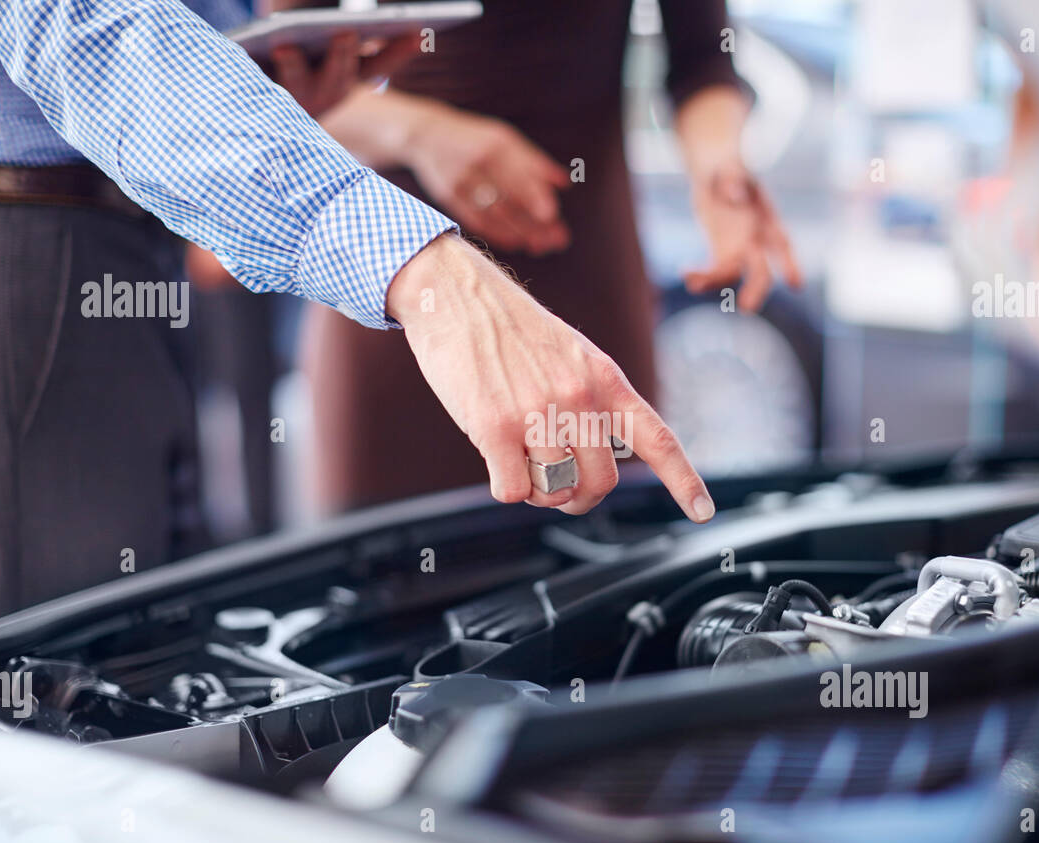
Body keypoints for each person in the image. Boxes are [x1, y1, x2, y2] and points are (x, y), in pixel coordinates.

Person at [0, 0, 712, 648]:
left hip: (108, 237)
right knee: (36, 736)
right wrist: (437, 277)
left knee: (120, 682)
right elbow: (96, 27)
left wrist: (259, 85)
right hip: (14, 233)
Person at [301, 0, 801, 509]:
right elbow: (276, 83)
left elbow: (703, 60)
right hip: (401, 294)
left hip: (590, 290)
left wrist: (719, 164)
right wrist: (420, 134)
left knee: (604, 559)